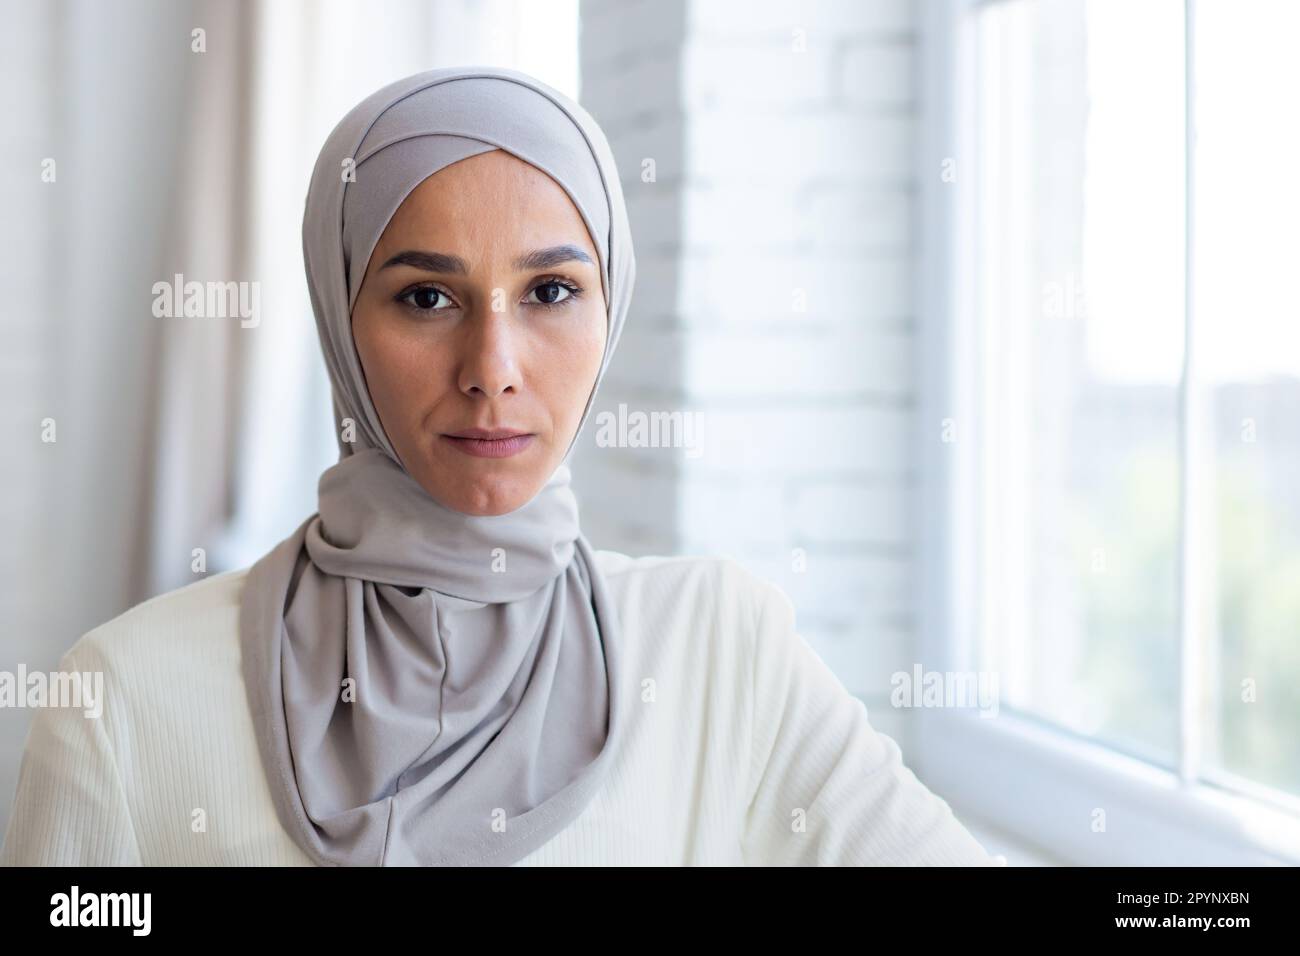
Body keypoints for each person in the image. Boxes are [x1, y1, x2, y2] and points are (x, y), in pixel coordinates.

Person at [0, 66, 1000, 867]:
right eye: (427, 299)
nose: (493, 370)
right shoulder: (128, 700)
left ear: (611, 310)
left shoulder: (719, 649)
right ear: (339, 314)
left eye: (551, 290)